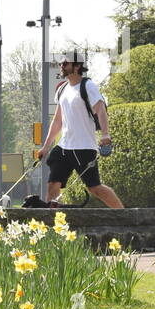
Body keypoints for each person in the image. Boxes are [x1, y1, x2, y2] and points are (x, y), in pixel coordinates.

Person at [34, 57, 123, 208]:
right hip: (63, 147)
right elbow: (57, 121)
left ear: (76, 66)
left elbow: (101, 109)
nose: (61, 66)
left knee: (95, 188)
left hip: (84, 147)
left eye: (65, 63)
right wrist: (46, 146)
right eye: (61, 64)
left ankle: (124, 215)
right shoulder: (62, 89)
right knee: (53, 184)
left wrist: (105, 134)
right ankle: (52, 224)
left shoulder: (88, 86)